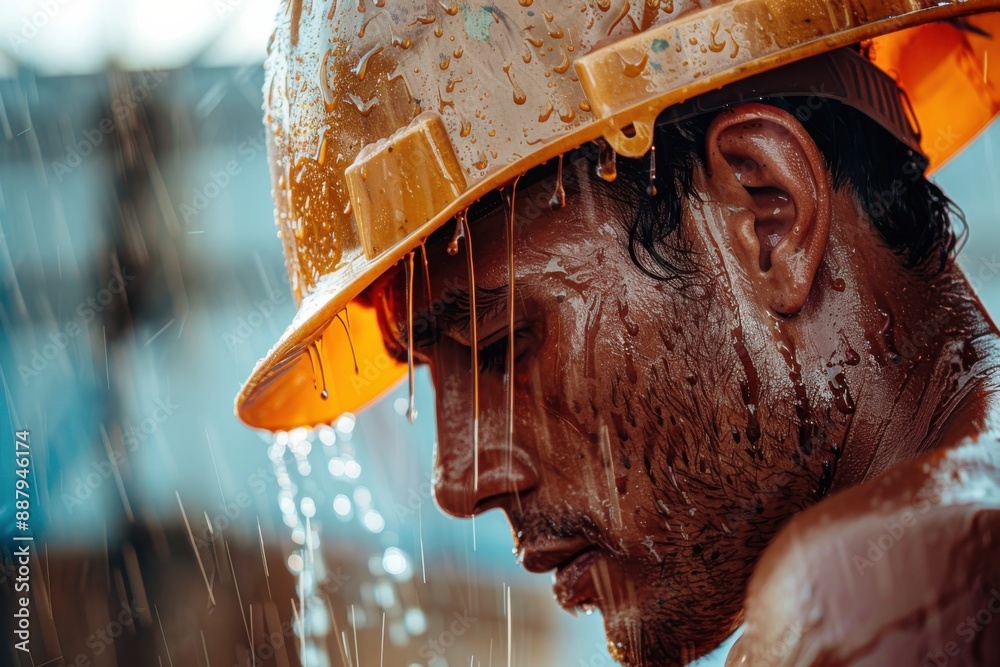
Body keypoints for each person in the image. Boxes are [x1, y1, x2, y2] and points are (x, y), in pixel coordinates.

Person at [237, 2, 1000, 664]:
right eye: (426, 370)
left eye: (503, 345)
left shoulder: (879, 601)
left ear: (767, 212)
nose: (459, 480)